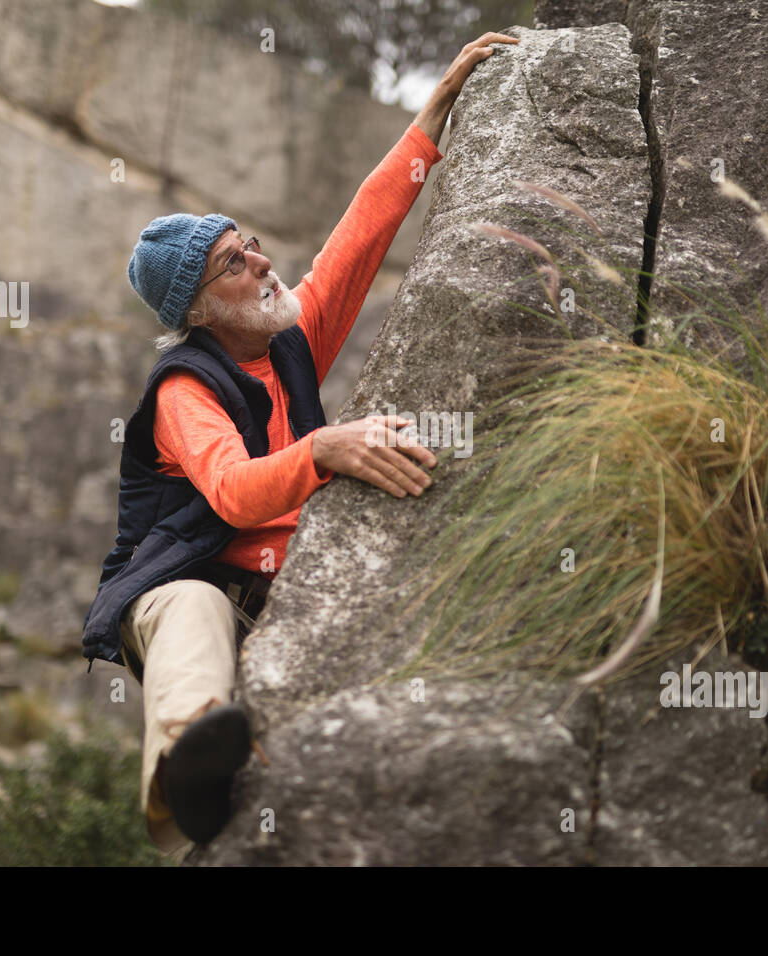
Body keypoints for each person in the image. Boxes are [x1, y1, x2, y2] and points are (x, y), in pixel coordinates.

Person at [81, 32, 520, 854]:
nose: (260, 261)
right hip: (183, 591)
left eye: (247, 242)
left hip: (289, 600)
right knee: (192, 605)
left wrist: (434, 111)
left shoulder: (286, 338)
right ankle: (189, 771)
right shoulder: (184, 389)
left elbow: (356, 241)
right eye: (232, 264)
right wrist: (325, 450)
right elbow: (234, 490)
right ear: (202, 313)